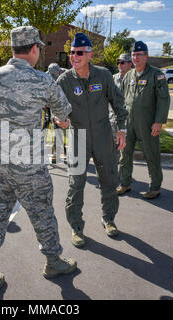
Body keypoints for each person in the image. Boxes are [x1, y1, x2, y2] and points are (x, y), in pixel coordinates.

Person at [0, 26, 76, 300]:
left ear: (14, 49)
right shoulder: (42, 80)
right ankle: (53, 262)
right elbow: (63, 112)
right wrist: (62, 120)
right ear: (35, 48)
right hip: (29, 165)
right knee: (42, 213)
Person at [55, 33, 128, 245]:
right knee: (76, 184)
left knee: (109, 180)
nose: (74, 56)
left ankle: (109, 219)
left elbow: (119, 104)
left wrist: (121, 130)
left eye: (79, 53)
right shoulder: (64, 81)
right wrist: (60, 120)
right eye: (71, 52)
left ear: (89, 55)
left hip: (104, 136)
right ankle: (77, 227)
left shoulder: (104, 76)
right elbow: (58, 109)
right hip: (78, 137)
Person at [117, 41, 170, 199]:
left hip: (147, 123)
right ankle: (125, 183)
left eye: (139, 55)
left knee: (151, 154)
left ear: (146, 56)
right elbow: (121, 98)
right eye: (133, 55)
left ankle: (155, 187)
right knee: (125, 153)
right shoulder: (129, 76)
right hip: (129, 122)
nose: (135, 58)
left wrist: (159, 121)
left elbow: (163, 99)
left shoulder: (156, 75)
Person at [45, 63, 67, 163]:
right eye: (51, 75)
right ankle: (55, 153)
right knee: (55, 126)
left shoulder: (66, 74)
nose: (53, 78)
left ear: (59, 72)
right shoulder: (45, 76)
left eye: (55, 75)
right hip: (53, 103)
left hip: (66, 102)